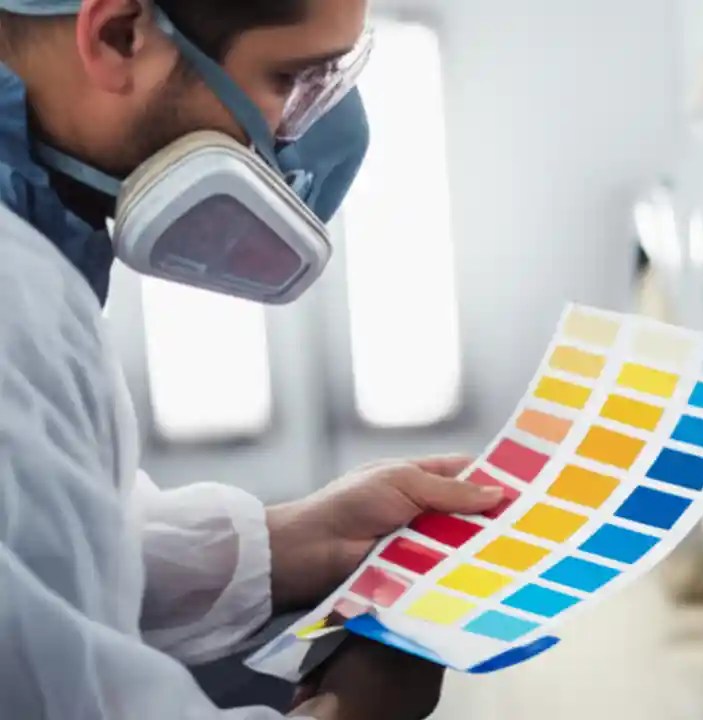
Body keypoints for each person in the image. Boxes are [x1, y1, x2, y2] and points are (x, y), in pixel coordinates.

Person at [0, 0, 497, 718]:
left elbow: (47, 545)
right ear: (118, 35)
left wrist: (302, 536)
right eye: (293, 79)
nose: (306, 137)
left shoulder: (34, 242)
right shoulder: (19, 299)